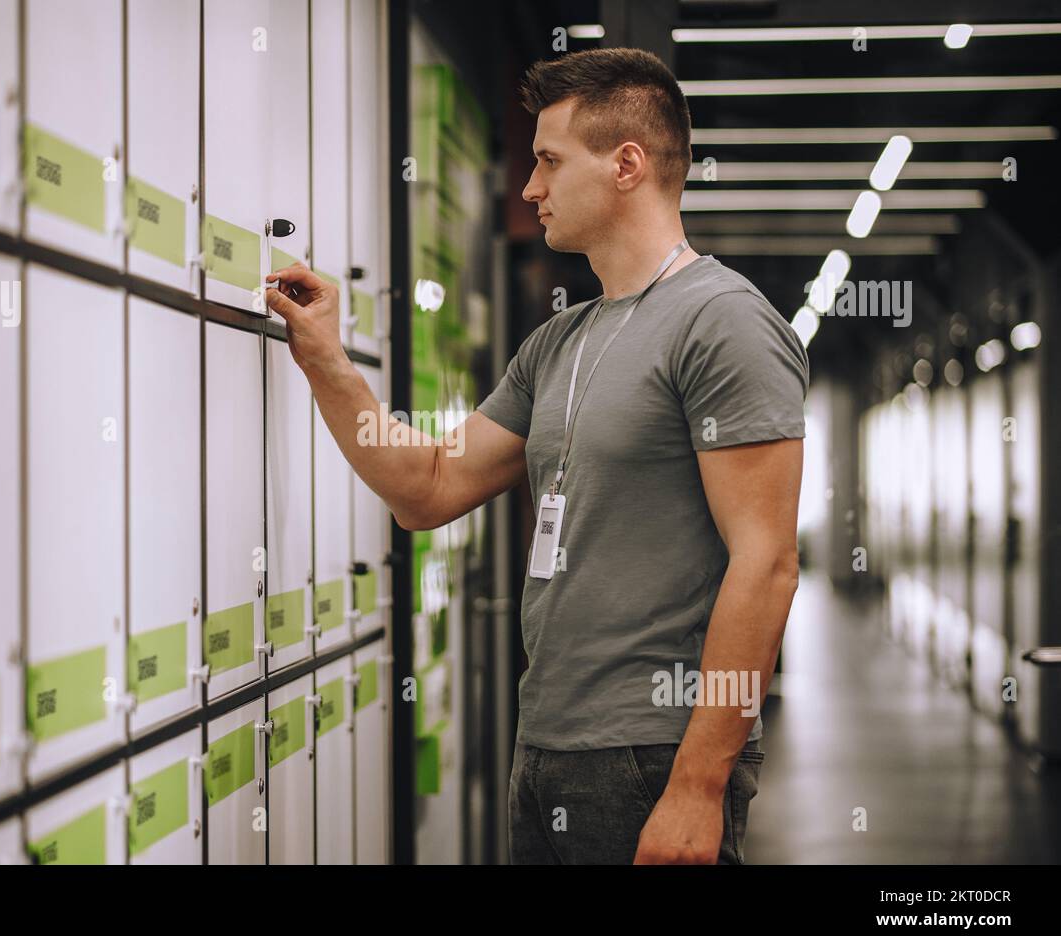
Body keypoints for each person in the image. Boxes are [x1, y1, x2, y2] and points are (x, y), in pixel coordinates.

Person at [264, 47, 808, 865]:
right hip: (549, 747)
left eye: (548, 161)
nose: (529, 189)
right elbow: (430, 487)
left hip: (652, 757)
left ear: (627, 165)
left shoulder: (723, 321)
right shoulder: (560, 341)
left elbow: (766, 564)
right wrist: (329, 365)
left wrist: (698, 786)